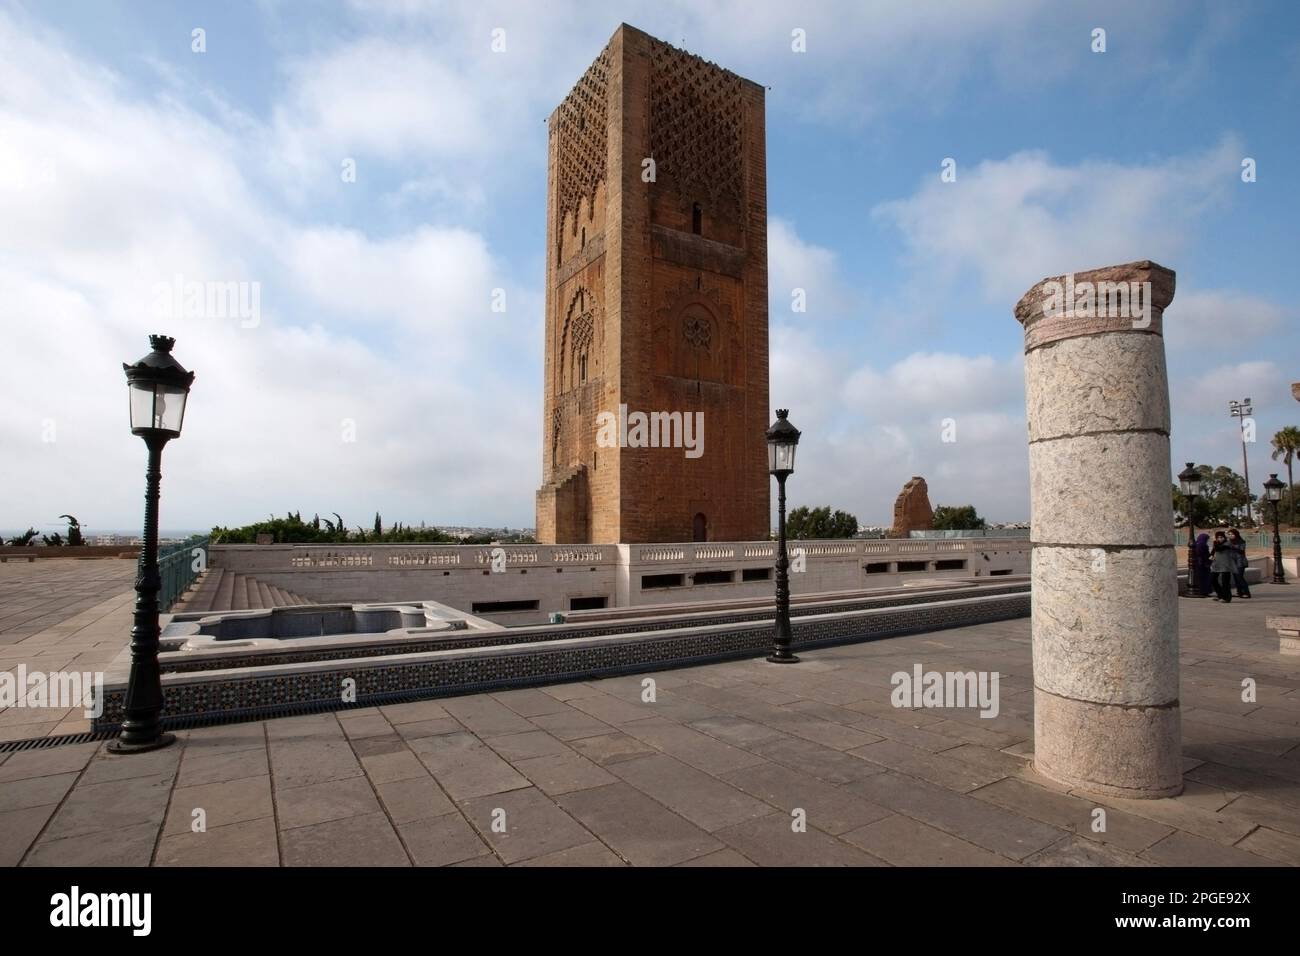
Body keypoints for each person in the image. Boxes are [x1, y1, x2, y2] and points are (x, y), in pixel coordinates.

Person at [1209, 531, 1238, 602]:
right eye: (1218, 537)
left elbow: (1219, 549)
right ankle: (1220, 595)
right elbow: (1213, 552)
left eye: (1221, 537)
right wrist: (1211, 556)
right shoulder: (1216, 544)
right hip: (1217, 564)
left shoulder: (1227, 543)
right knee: (1212, 579)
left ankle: (1227, 598)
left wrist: (1215, 542)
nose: (1220, 539)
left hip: (1226, 565)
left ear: (1224, 537)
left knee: (1225, 582)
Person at [1227, 528, 1251, 598]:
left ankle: (1246, 593)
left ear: (1236, 534)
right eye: (1229, 534)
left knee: (1239, 577)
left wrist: (1232, 547)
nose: (1231, 535)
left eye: (1232, 534)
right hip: (1233, 562)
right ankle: (1239, 592)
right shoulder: (1229, 542)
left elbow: (1241, 551)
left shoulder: (1241, 541)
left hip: (1240, 562)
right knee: (1236, 578)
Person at [1193, 532, 1212, 598]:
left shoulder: (1196, 544)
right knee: (1205, 578)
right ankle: (1204, 592)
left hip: (1198, 563)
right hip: (1203, 563)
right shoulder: (1203, 545)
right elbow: (1205, 555)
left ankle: (1202, 591)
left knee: (1201, 578)